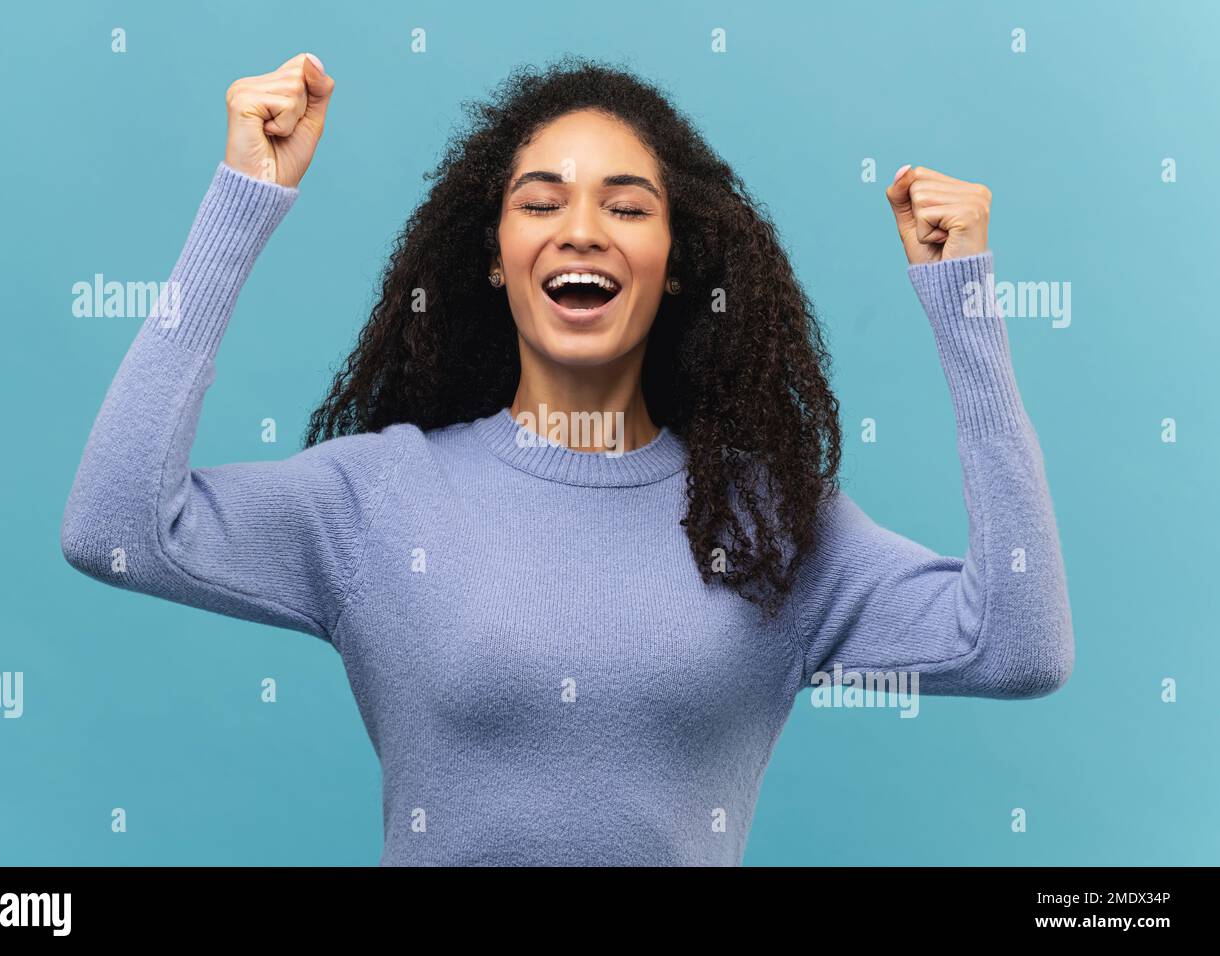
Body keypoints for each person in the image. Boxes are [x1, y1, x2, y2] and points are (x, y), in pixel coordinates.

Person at [61, 52, 1074, 866]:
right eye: (540, 202)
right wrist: (243, 200)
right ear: (494, 256)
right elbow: (116, 532)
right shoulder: (381, 494)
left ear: (675, 267)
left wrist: (967, 312)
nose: (579, 228)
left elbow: (1017, 645)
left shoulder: (764, 523)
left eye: (627, 206)